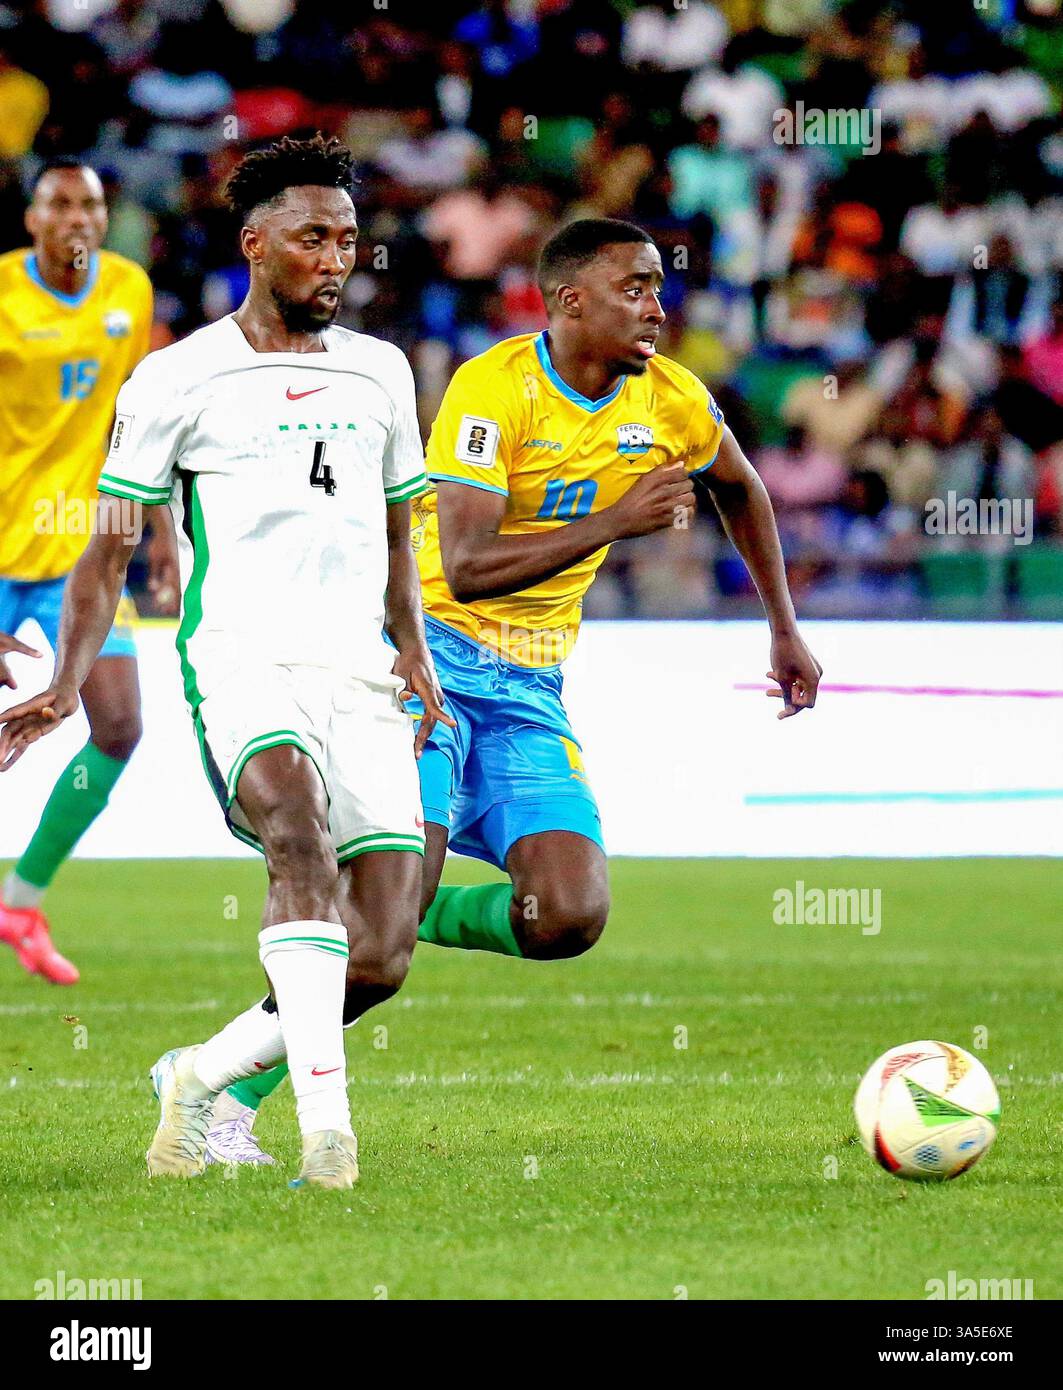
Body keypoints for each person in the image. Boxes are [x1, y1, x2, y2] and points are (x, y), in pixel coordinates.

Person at [207, 217, 823, 1164]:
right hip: (424, 667)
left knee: (567, 919)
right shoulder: (494, 390)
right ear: (570, 299)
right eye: (636, 288)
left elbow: (740, 488)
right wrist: (616, 518)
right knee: (375, 955)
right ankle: (221, 1093)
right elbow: (467, 560)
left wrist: (780, 626)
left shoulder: (670, 399)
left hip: (531, 687)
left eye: (658, 287)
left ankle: (407, 899)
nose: (658, 307)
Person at [0, 134, 450, 1190]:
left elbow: (397, 530)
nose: (335, 258)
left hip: (361, 672)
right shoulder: (175, 378)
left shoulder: (382, 369)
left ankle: (198, 1077)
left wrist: (416, 646)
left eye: (345, 238)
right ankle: (329, 1141)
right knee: (295, 838)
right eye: (311, 239)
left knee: (380, 951)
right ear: (256, 244)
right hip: (241, 661)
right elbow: (107, 546)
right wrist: (68, 680)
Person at [0, 158, 171, 987]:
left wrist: (159, 524)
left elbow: (133, 424)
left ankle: (20, 901)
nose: (76, 217)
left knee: (117, 726)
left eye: (90, 205)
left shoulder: (128, 291)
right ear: (32, 219)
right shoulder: (2, 295)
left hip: (82, 547)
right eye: (59, 203)